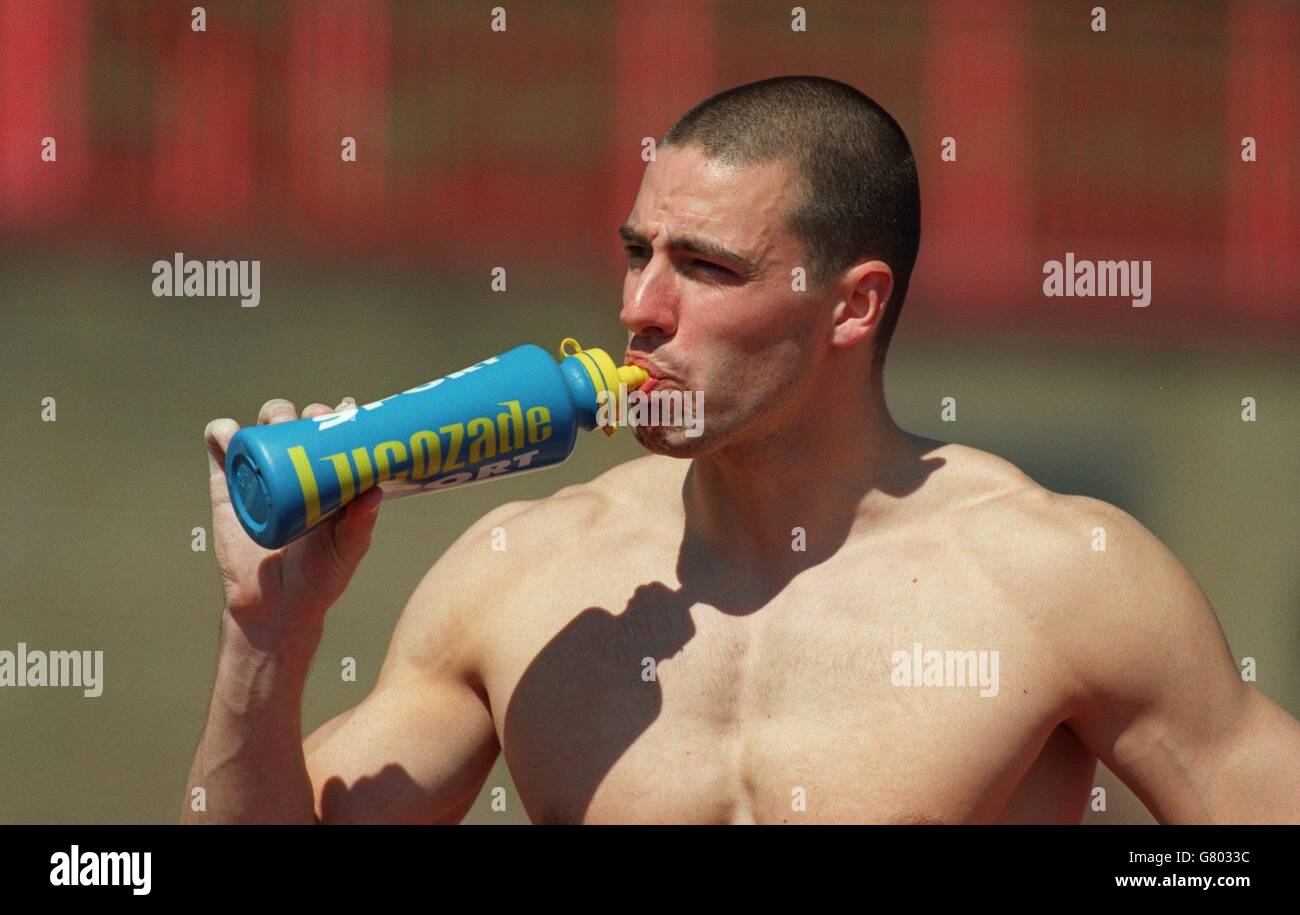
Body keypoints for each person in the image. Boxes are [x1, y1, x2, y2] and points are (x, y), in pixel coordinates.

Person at [185, 76, 1300, 824]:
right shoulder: (522, 571)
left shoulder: (1056, 578)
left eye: (706, 268)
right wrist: (267, 640)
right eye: (635, 252)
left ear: (851, 307)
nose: (640, 307)